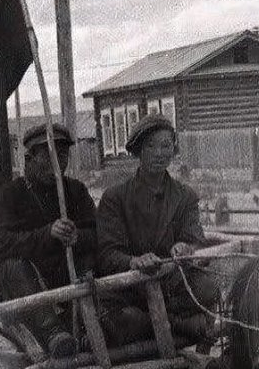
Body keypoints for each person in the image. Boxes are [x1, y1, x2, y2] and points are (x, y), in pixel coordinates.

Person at [93, 114, 219, 345]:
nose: (160, 153)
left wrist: (186, 247)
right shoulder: (116, 198)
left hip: (172, 285)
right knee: (122, 319)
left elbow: (196, 240)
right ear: (138, 151)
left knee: (209, 287)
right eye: (151, 146)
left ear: (173, 149)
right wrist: (133, 262)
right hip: (132, 289)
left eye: (166, 146)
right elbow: (107, 255)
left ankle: (164, 322)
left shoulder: (185, 196)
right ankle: (181, 325)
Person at [0, 124, 97, 358]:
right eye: (48, 155)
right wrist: (47, 234)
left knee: (92, 257)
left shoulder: (75, 191)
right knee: (13, 266)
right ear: (29, 158)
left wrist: (78, 237)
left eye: (63, 154)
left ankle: (92, 323)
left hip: (65, 275)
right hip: (26, 282)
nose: (56, 162)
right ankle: (53, 332)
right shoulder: (11, 194)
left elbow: (98, 232)